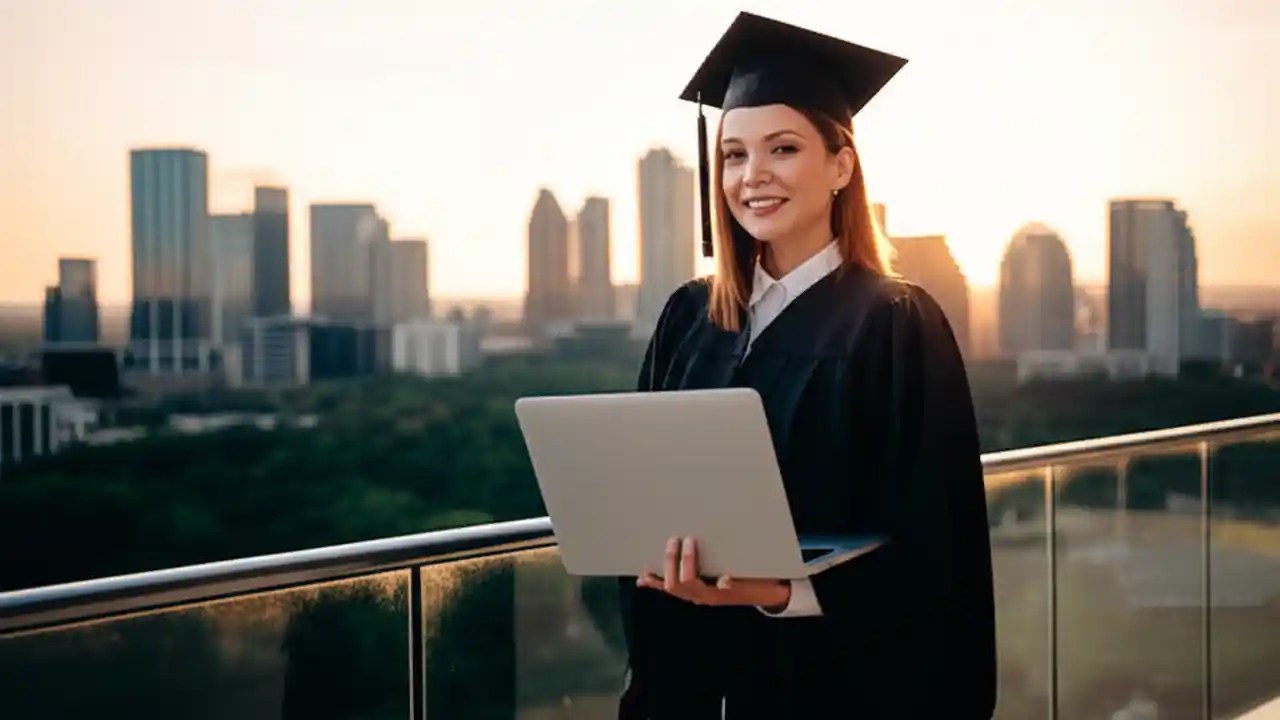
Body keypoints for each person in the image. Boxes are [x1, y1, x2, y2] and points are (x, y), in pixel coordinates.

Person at [616, 12, 997, 719]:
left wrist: (774, 591)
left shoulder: (894, 324)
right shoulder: (689, 318)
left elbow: (932, 554)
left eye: (782, 148)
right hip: (691, 688)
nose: (752, 176)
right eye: (733, 155)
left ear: (841, 164)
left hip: (827, 695)